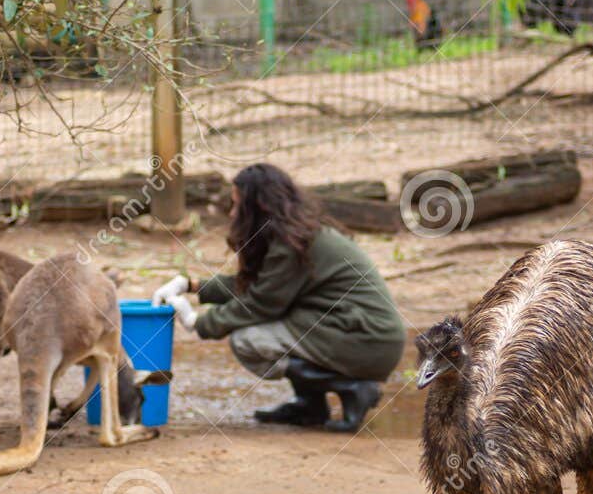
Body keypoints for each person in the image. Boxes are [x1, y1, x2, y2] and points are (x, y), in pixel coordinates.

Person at [152, 163, 406, 432]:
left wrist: (198, 323)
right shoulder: (295, 233)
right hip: (357, 332)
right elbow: (260, 287)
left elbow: (261, 303)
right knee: (287, 325)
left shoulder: (294, 243)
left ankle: (354, 388)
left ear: (258, 207)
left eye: (238, 205)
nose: (232, 212)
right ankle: (311, 405)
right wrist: (193, 286)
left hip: (367, 339)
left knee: (250, 340)